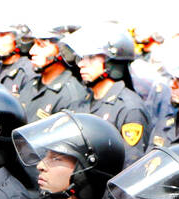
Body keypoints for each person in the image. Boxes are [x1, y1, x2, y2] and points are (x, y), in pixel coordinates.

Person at [61, 23, 152, 164]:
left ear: (111, 63)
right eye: (82, 58)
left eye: (90, 57)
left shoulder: (129, 108)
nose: (81, 64)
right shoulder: (81, 103)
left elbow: (131, 166)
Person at [18, 26, 89, 123]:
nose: (32, 51)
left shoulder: (72, 96)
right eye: (34, 44)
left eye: (41, 45)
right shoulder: (31, 83)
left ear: (64, 51)